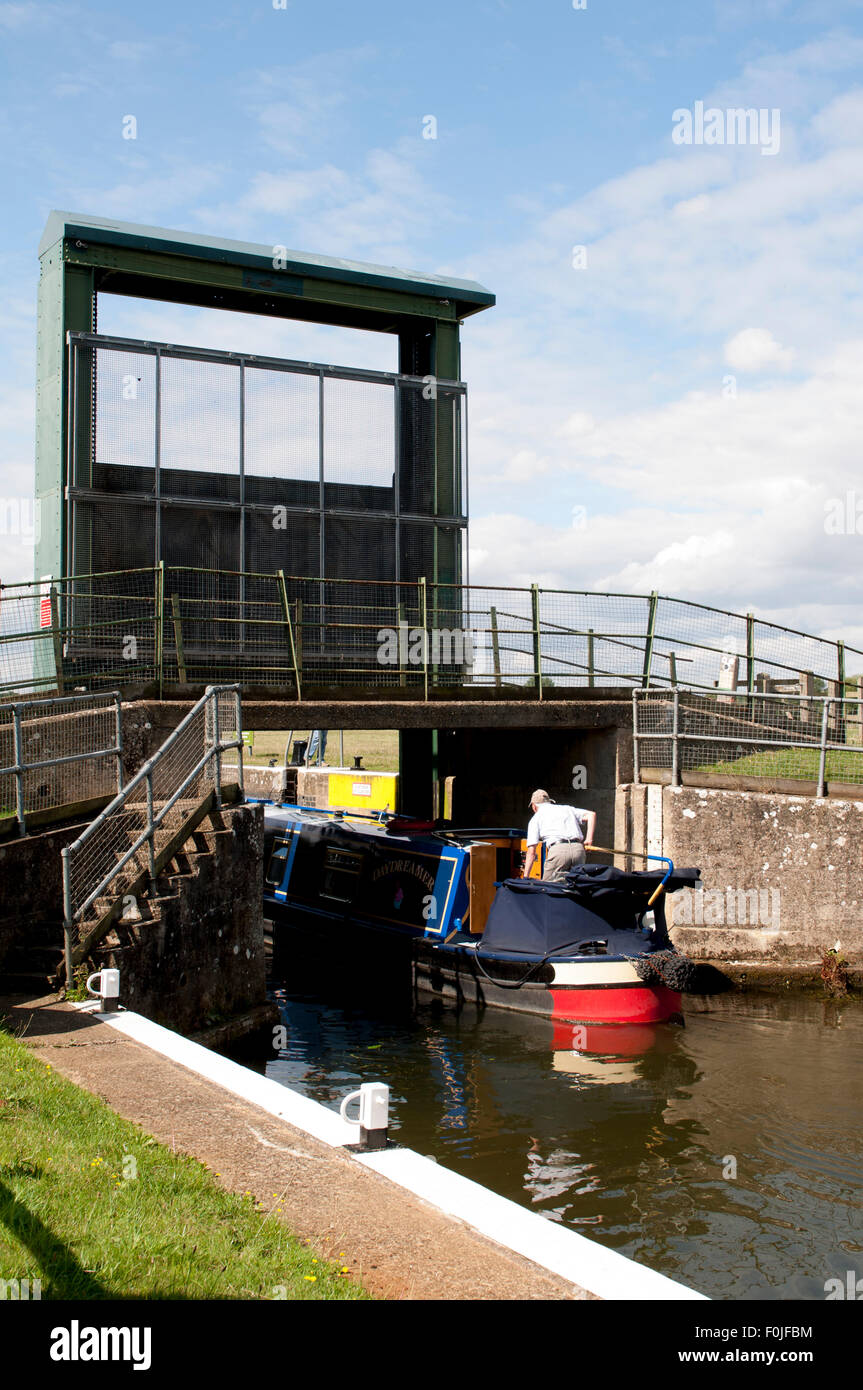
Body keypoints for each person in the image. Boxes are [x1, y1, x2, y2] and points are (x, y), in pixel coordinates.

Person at [522, 789, 596, 883]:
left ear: (534, 806)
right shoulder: (567, 808)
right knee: (576, 886)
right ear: (549, 802)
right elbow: (591, 815)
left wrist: (525, 877)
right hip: (578, 850)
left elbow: (531, 852)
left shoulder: (536, 818)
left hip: (558, 851)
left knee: (548, 888)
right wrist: (589, 839)